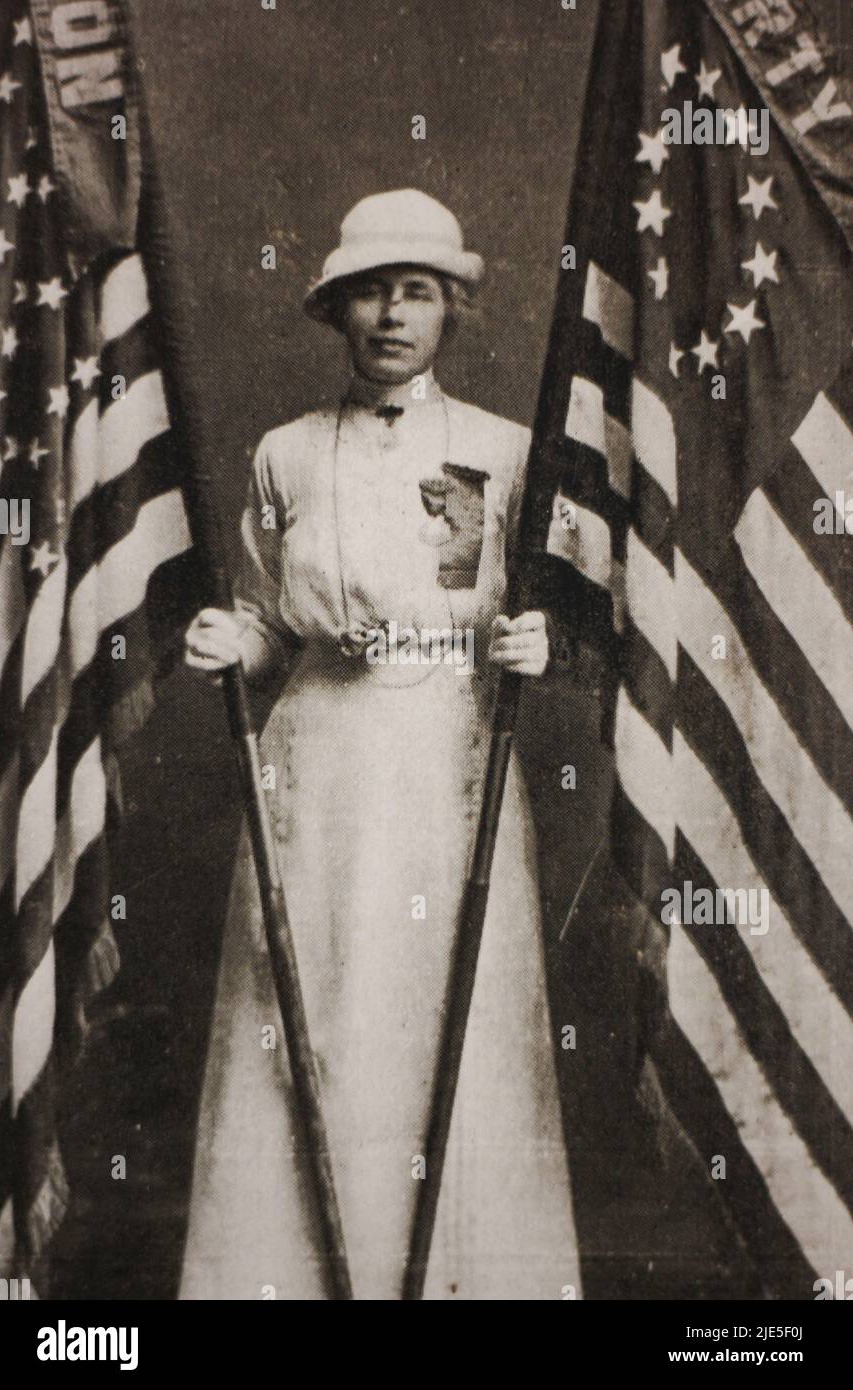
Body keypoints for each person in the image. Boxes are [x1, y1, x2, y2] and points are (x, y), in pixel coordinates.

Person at [181, 189, 581, 1299]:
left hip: (449, 756)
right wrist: (236, 636)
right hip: (323, 768)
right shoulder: (286, 455)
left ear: (450, 307)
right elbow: (267, 619)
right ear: (335, 310)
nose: (391, 314)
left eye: (415, 291)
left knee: (452, 1009)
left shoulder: (503, 451)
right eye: (369, 290)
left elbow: (561, 609)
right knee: (312, 1008)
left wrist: (539, 639)